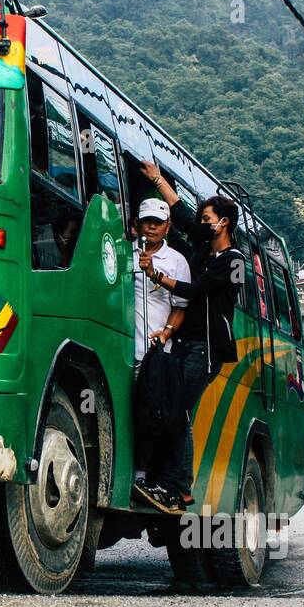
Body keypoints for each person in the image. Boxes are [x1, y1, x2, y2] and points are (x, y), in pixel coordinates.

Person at [134, 162, 246, 513]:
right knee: (169, 412)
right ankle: (163, 483)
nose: (201, 223)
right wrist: (156, 179)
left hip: (207, 348)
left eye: (207, 218)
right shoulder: (204, 249)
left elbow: (195, 290)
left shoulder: (233, 260)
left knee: (178, 414)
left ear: (222, 222)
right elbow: (180, 215)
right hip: (184, 344)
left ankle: (179, 489)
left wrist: (156, 276)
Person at [131, 198, 191, 484]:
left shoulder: (177, 261)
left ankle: (145, 474)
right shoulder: (125, 250)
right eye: (147, 221)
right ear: (139, 223)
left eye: (158, 222)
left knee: (150, 413)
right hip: (121, 346)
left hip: (154, 351)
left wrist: (166, 332)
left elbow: (181, 305)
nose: (152, 226)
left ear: (168, 226)